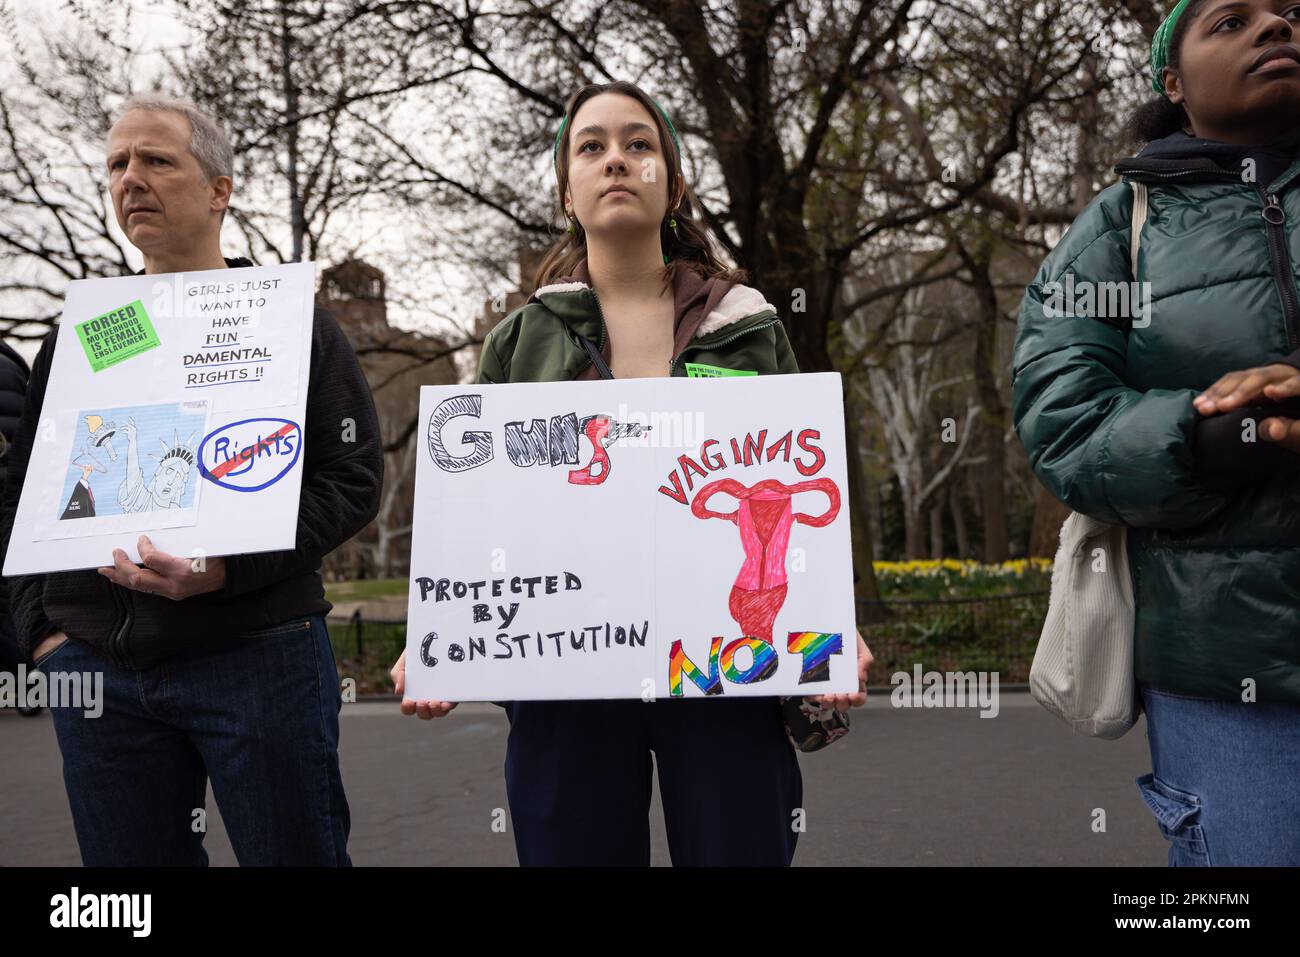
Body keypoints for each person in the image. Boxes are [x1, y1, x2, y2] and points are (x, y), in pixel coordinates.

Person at [390, 81, 872, 866]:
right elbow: (474, 514)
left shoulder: (747, 324)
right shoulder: (518, 343)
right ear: (568, 191)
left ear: (672, 183)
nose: (616, 159)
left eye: (639, 144)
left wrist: (832, 618)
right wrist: (439, 633)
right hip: (565, 681)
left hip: (725, 674)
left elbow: (802, 478)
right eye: (592, 147)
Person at [0, 96, 383, 865]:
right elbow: (22, 491)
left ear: (219, 189)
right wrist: (40, 630)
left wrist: (229, 568)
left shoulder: (291, 322)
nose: (130, 178)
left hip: (260, 652)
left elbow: (353, 478)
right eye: (116, 164)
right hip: (98, 666)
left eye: (156, 160)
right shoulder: (81, 335)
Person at [1013, 0, 1300, 866]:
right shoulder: (1116, 228)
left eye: (1290, 13)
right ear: (1172, 83)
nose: (1278, 27)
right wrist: (1211, 438)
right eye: (1232, 21)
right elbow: (1060, 416)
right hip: (1224, 665)